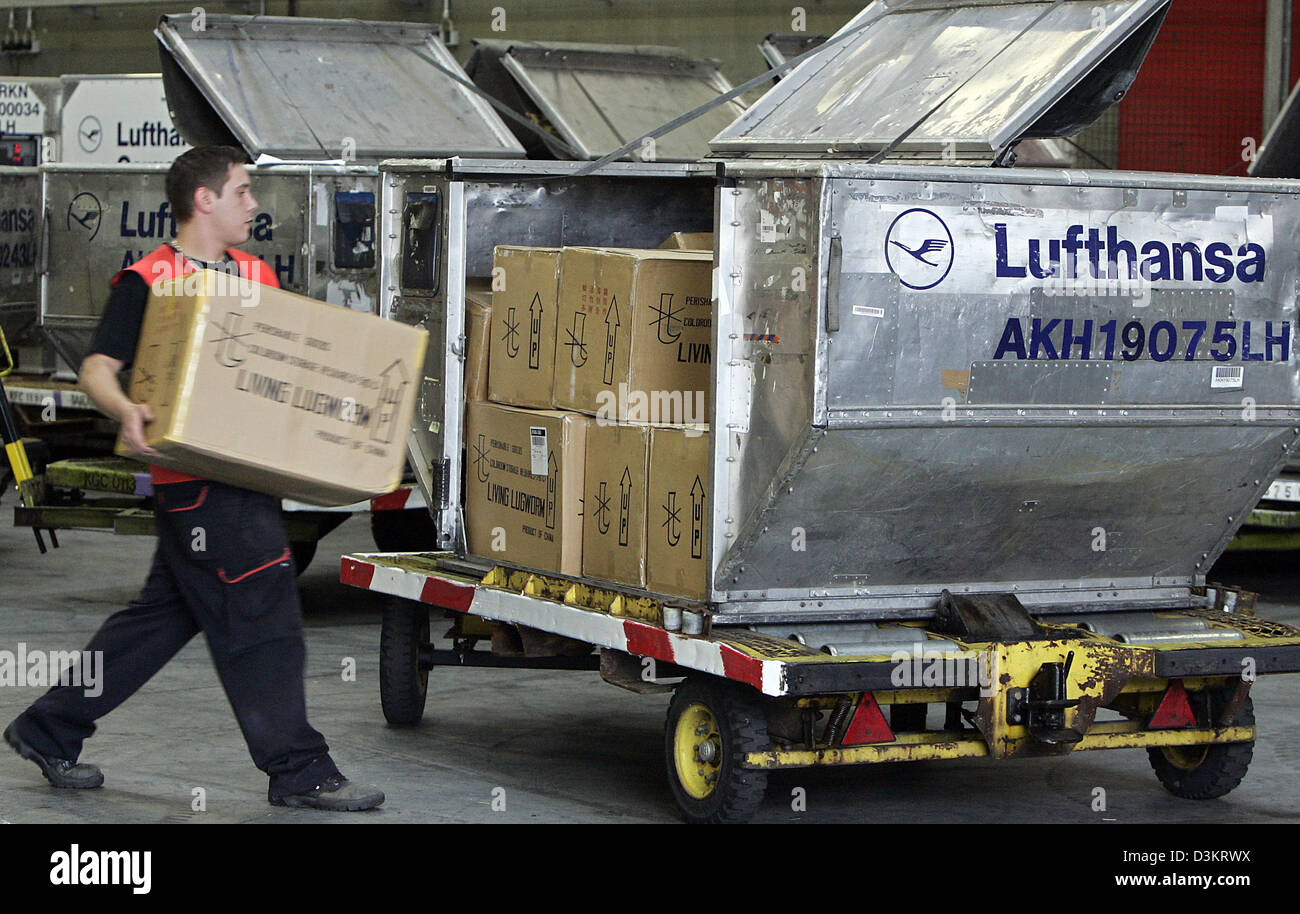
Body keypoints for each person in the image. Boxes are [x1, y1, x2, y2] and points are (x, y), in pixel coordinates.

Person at [4, 145, 384, 811]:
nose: (253, 204)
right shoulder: (149, 280)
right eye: (242, 192)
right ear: (203, 200)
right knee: (263, 611)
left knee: (157, 620)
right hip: (197, 481)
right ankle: (299, 770)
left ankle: (50, 726)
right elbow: (98, 365)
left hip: (245, 472)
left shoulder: (254, 275)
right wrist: (125, 408)